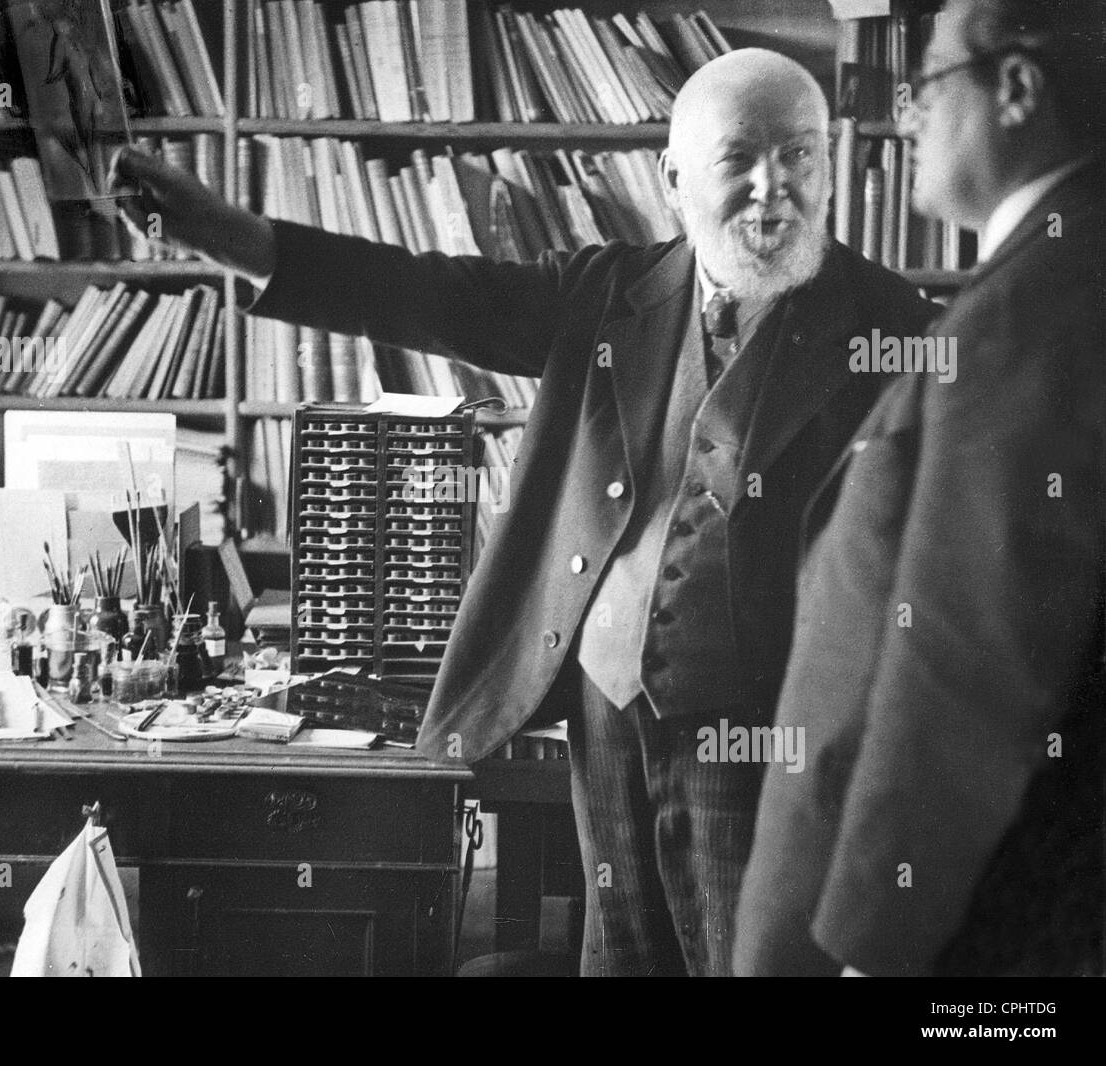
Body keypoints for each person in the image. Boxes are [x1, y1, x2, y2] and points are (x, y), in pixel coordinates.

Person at [113, 48, 935, 976]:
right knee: (623, 960)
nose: (773, 186)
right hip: (606, 707)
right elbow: (430, 297)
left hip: (769, 732)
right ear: (673, 180)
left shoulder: (892, 326)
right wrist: (232, 236)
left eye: (802, 155)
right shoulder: (608, 292)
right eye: (740, 157)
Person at [734, 0, 1105, 977]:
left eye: (927, 85)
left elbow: (969, 660)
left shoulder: (1033, 307)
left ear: (1016, 87)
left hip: (969, 924)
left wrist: (875, 945)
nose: (905, 118)